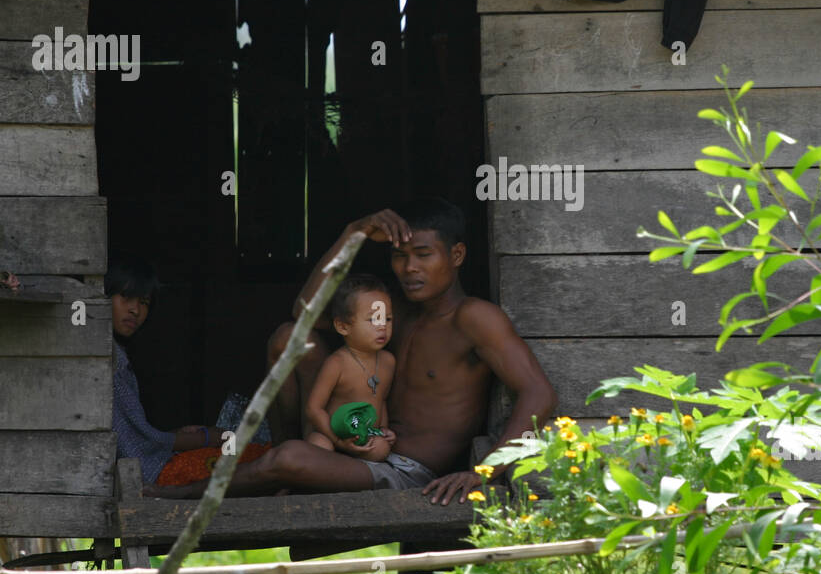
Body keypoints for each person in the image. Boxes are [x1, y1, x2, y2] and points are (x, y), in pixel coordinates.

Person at [148, 198, 558, 505]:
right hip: (348, 442)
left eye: (423, 255)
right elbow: (305, 314)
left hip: (406, 471)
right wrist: (354, 233)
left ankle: (185, 495)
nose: (409, 268)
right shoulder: (395, 310)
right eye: (399, 256)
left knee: (290, 458)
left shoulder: (473, 317)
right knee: (292, 337)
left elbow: (539, 393)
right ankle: (293, 460)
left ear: (456, 255)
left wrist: (484, 472)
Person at [107, 253, 267, 491]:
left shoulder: (115, 353)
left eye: (144, 302)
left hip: (156, 464)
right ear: (103, 296)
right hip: (157, 474)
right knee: (261, 460)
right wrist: (208, 438)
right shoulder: (111, 359)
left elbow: (136, 435)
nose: (135, 310)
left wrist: (176, 436)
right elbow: (136, 445)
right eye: (126, 297)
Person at [304, 274, 397, 462]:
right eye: (373, 319)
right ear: (343, 326)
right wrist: (337, 440)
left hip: (365, 433)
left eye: (387, 319)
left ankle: (347, 473)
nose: (382, 327)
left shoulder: (388, 361)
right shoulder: (337, 363)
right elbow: (314, 408)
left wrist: (383, 429)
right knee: (318, 446)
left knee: (381, 448)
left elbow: (381, 399)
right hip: (332, 433)